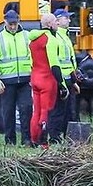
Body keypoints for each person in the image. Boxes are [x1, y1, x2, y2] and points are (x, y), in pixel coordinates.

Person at [0, 9, 33, 145]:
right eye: (10, 24)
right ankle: (10, 140)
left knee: (26, 109)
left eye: (15, 24)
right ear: (4, 22)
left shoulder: (27, 36)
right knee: (8, 111)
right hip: (6, 82)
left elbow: (33, 57)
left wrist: (34, 74)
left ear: (19, 21)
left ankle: (26, 139)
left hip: (25, 80)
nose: (12, 27)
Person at [28, 12, 65, 148]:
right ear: (49, 24)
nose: (57, 23)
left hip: (35, 78)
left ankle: (34, 139)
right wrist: (61, 84)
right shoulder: (50, 39)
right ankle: (44, 142)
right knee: (46, 111)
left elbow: (31, 61)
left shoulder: (32, 39)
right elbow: (54, 64)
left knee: (36, 112)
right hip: (47, 80)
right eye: (55, 21)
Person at [46, 8, 79, 143]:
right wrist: (60, 82)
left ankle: (66, 136)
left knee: (68, 111)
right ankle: (54, 137)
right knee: (57, 110)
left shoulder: (65, 37)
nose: (69, 20)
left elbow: (69, 61)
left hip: (68, 79)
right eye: (66, 18)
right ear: (58, 21)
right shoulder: (55, 38)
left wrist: (73, 80)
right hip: (60, 80)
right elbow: (55, 62)